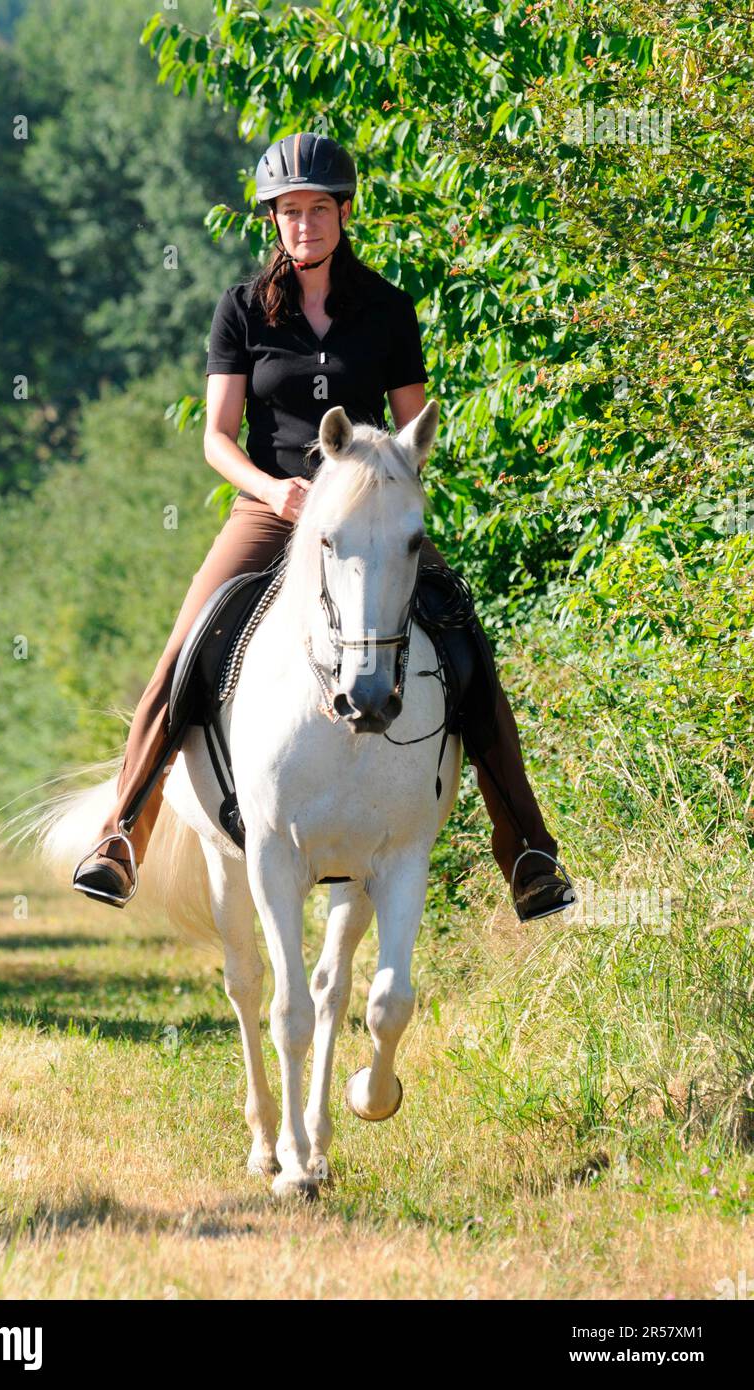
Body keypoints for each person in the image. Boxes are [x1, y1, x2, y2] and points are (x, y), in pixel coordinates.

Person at [72, 132, 571, 921]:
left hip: (364, 512)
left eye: (317, 209)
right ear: (272, 219)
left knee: (466, 644)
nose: (302, 224)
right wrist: (273, 493)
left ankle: (529, 854)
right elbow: (216, 437)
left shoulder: (387, 310)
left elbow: (413, 434)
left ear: (342, 213)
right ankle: (121, 836)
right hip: (269, 511)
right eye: (288, 211)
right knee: (186, 650)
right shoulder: (239, 309)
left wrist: (380, 502)